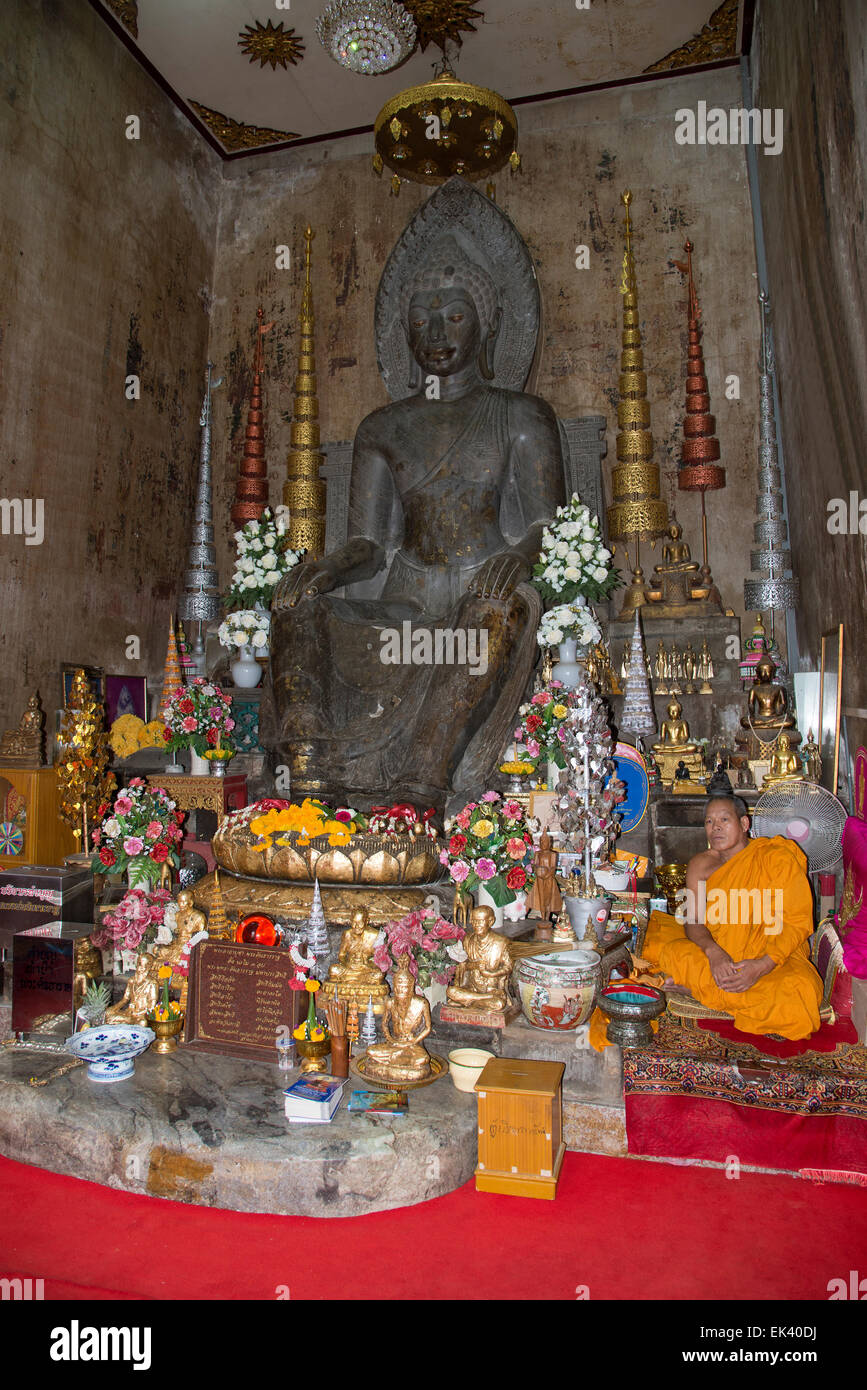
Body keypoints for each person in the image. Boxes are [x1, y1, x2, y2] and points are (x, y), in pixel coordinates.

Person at [642, 784, 822, 1039]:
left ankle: (700, 990)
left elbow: (797, 922)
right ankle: (721, 991)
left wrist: (761, 966)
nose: (715, 827)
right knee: (674, 952)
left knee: (798, 993)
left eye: (724, 820)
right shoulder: (700, 865)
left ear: (744, 823)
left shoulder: (776, 857)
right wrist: (714, 953)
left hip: (773, 956)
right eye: (709, 821)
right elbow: (692, 920)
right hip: (720, 955)